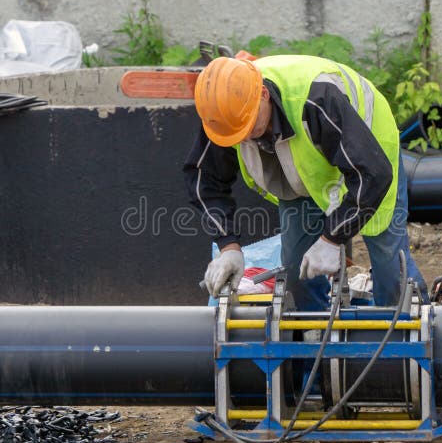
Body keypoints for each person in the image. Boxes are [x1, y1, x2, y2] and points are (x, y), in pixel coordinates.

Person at [183, 55, 427, 311]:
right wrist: (228, 246)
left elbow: (373, 175)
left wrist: (333, 238)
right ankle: (312, 341)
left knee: (389, 265)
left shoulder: (317, 100)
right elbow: (203, 181)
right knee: (296, 269)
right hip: (304, 169)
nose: (242, 137)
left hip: (368, 153)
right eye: (237, 134)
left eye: (249, 126)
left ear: (263, 94)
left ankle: (414, 339)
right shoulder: (226, 116)